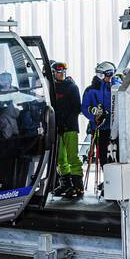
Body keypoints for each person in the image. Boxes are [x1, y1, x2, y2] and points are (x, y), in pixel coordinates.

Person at [50, 62, 83, 199]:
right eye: (58, 72)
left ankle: (77, 185)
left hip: (70, 127)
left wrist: (65, 122)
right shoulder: (51, 88)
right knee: (60, 158)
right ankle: (66, 183)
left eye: (63, 72)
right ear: (53, 73)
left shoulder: (71, 87)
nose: (61, 74)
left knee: (72, 156)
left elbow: (77, 108)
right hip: (57, 127)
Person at [81, 61, 115, 166]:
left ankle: (116, 178)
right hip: (99, 127)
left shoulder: (114, 88)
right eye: (108, 75)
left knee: (114, 154)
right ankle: (108, 177)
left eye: (112, 74)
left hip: (113, 127)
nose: (110, 78)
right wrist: (94, 116)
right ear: (101, 74)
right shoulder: (91, 90)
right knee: (103, 155)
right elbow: (84, 107)